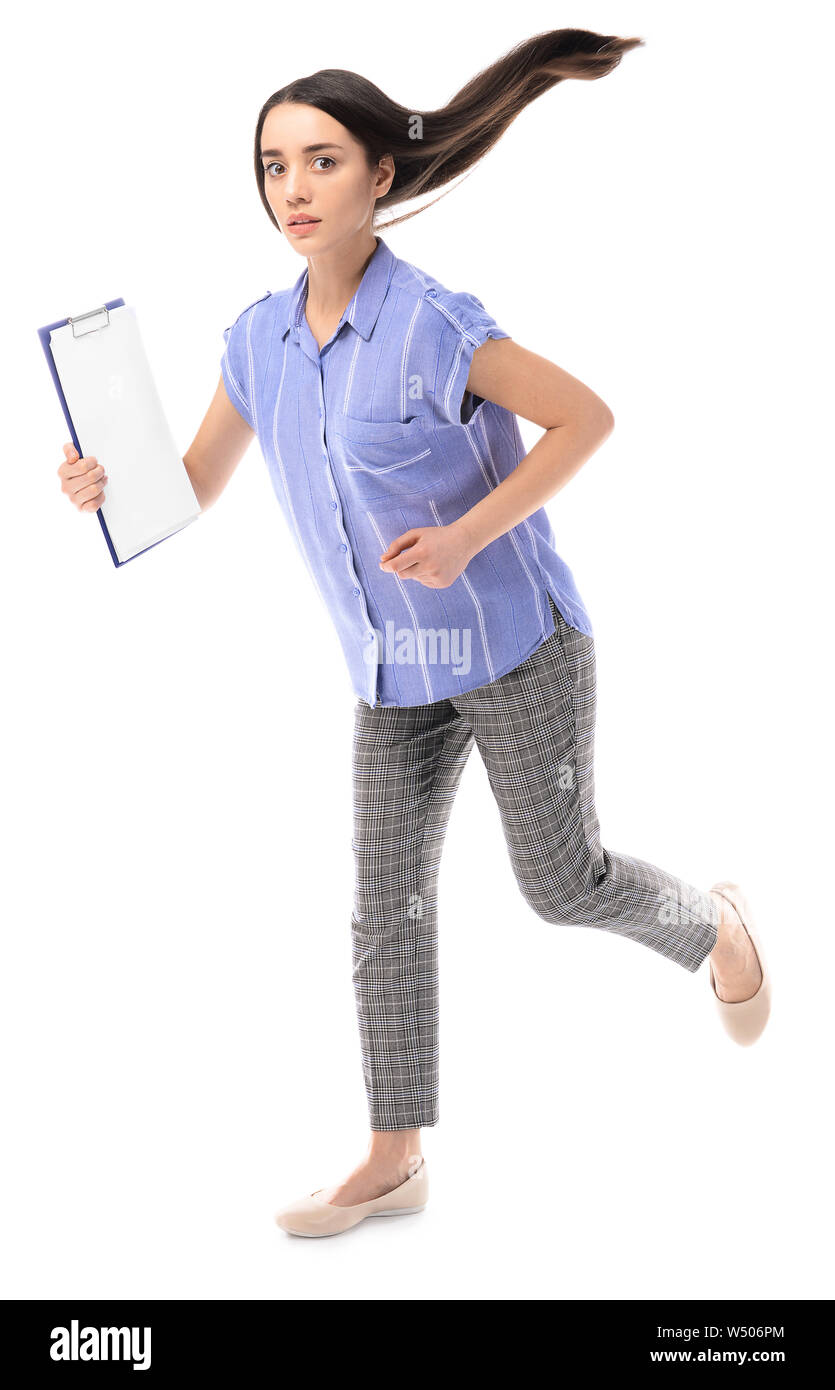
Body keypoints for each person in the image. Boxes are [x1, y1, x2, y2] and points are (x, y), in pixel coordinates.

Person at [57, 27, 771, 1241]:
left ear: (380, 177)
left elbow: (584, 418)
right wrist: (105, 487)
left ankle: (716, 924)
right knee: (382, 902)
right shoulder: (255, 342)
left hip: (512, 644)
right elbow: (188, 487)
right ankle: (394, 1156)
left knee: (562, 886)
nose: (293, 188)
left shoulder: (434, 323)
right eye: (273, 165)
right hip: (389, 671)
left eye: (321, 161)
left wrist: (465, 538)